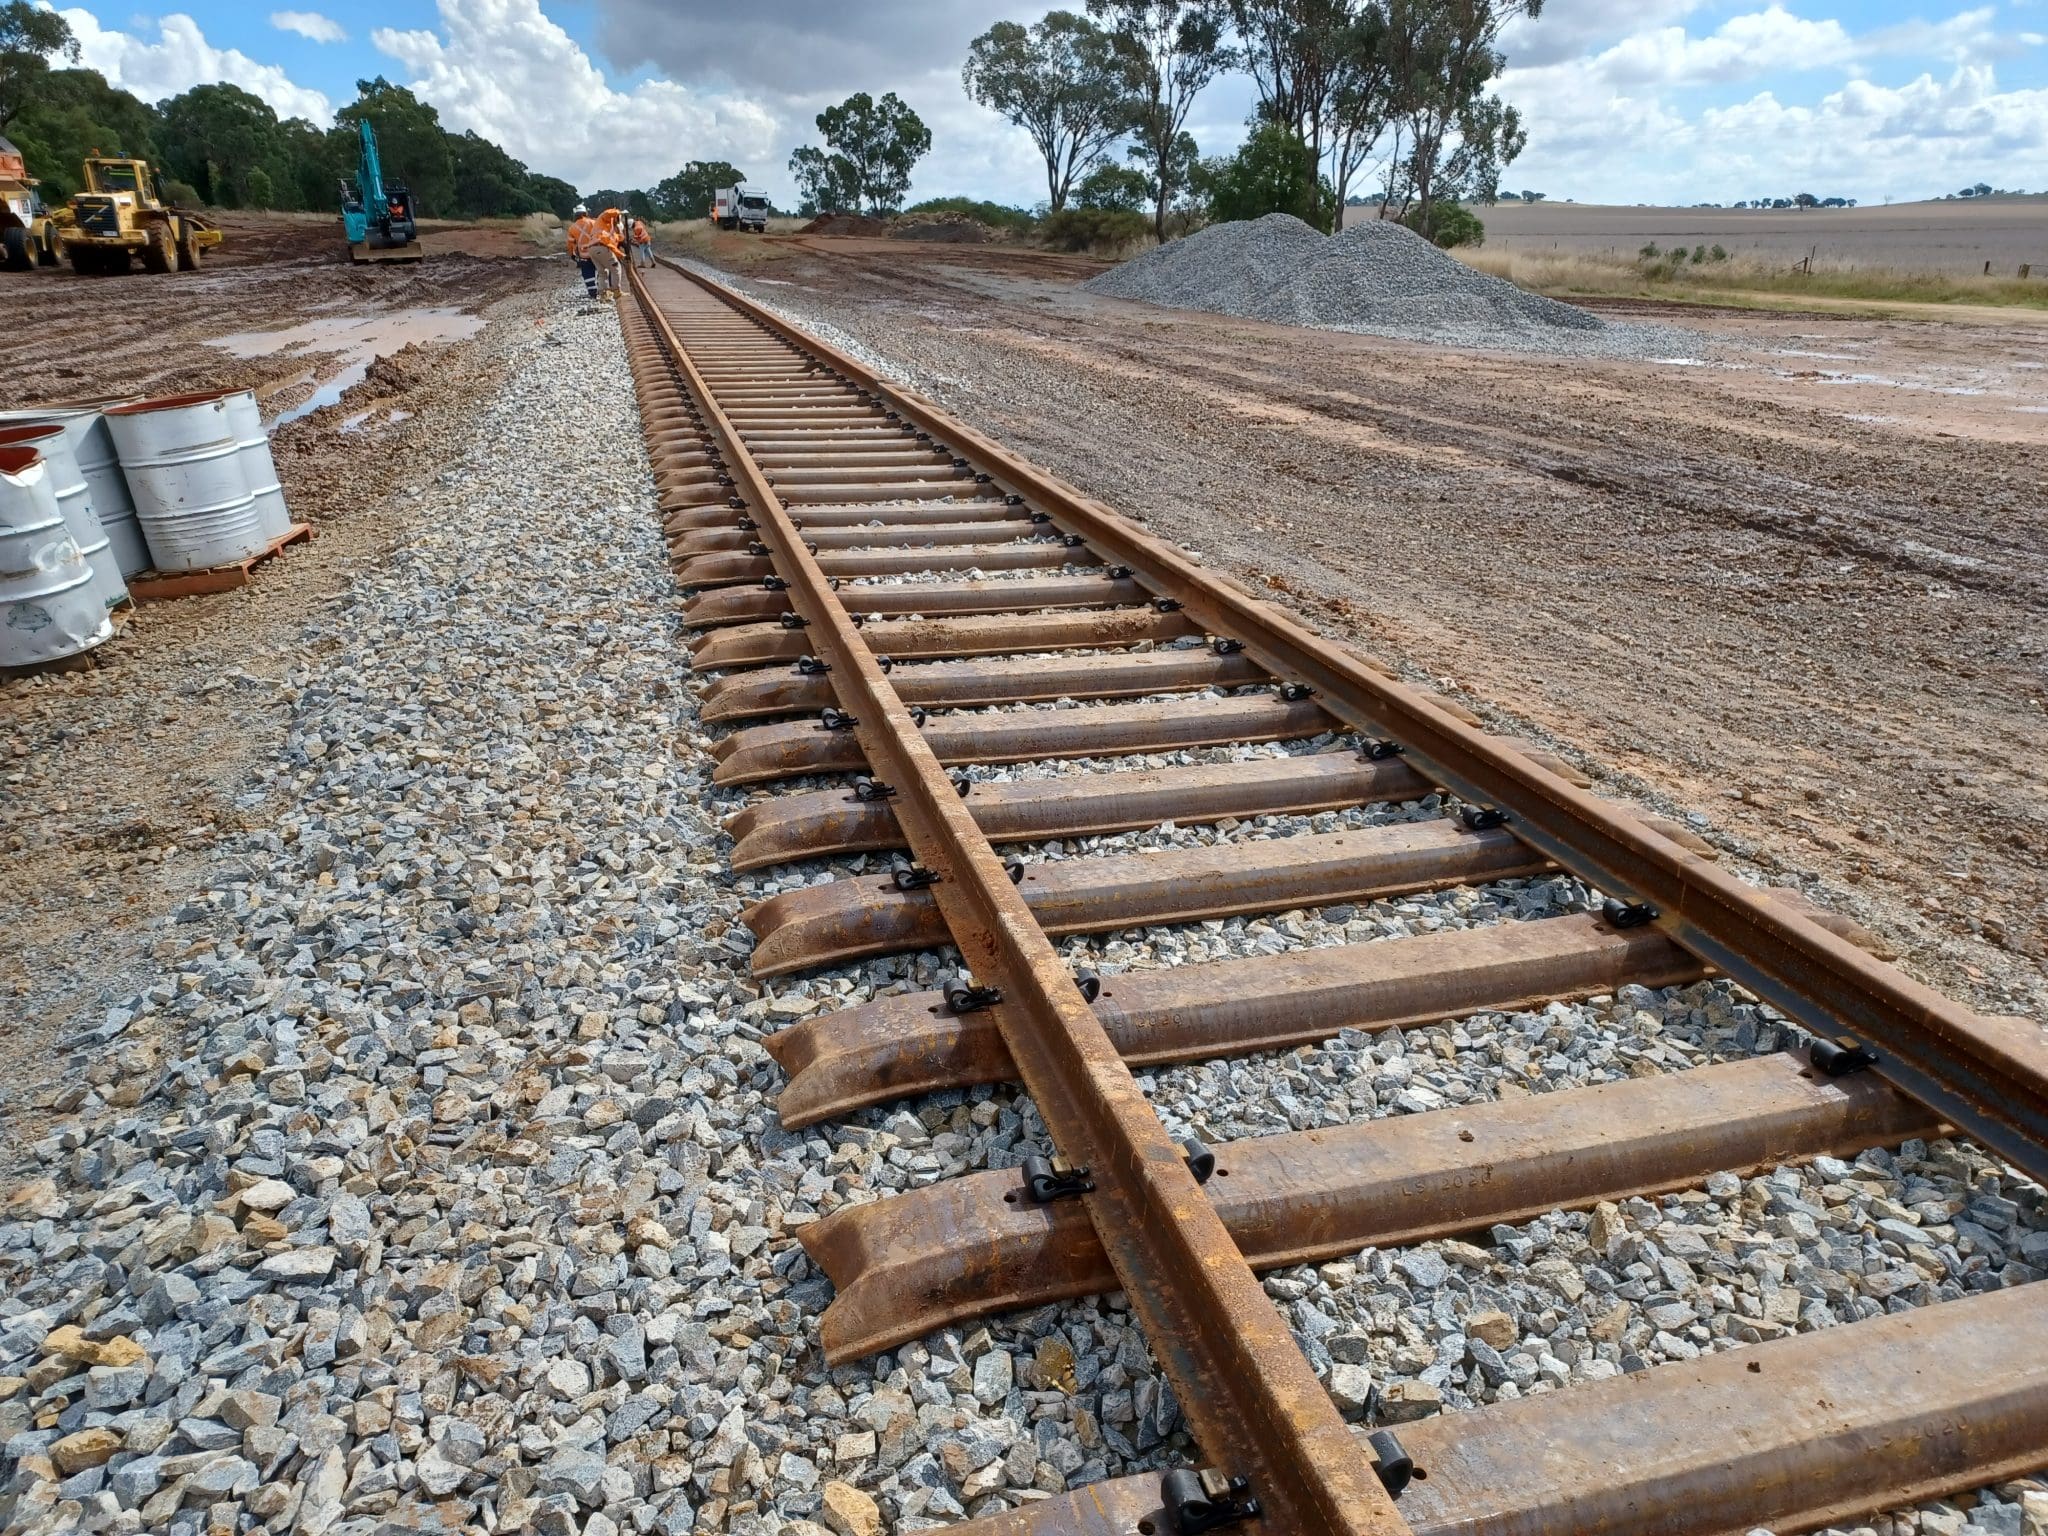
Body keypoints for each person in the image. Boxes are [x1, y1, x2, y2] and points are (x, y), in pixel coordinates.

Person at [589, 207, 626, 303]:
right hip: (601, 247)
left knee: (602, 272)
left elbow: (613, 248)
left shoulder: (611, 232)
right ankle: (616, 292)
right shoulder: (605, 220)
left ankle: (603, 295)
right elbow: (607, 213)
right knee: (616, 268)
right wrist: (619, 212)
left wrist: (621, 254)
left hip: (592, 249)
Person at [565, 203, 599, 301]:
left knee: (588, 274)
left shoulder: (572, 228)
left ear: (575, 215)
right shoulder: (593, 223)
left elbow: (570, 243)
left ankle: (592, 293)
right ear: (585, 213)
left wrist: (572, 254)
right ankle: (603, 290)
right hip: (596, 252)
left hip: (584, 255)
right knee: (601, 271)